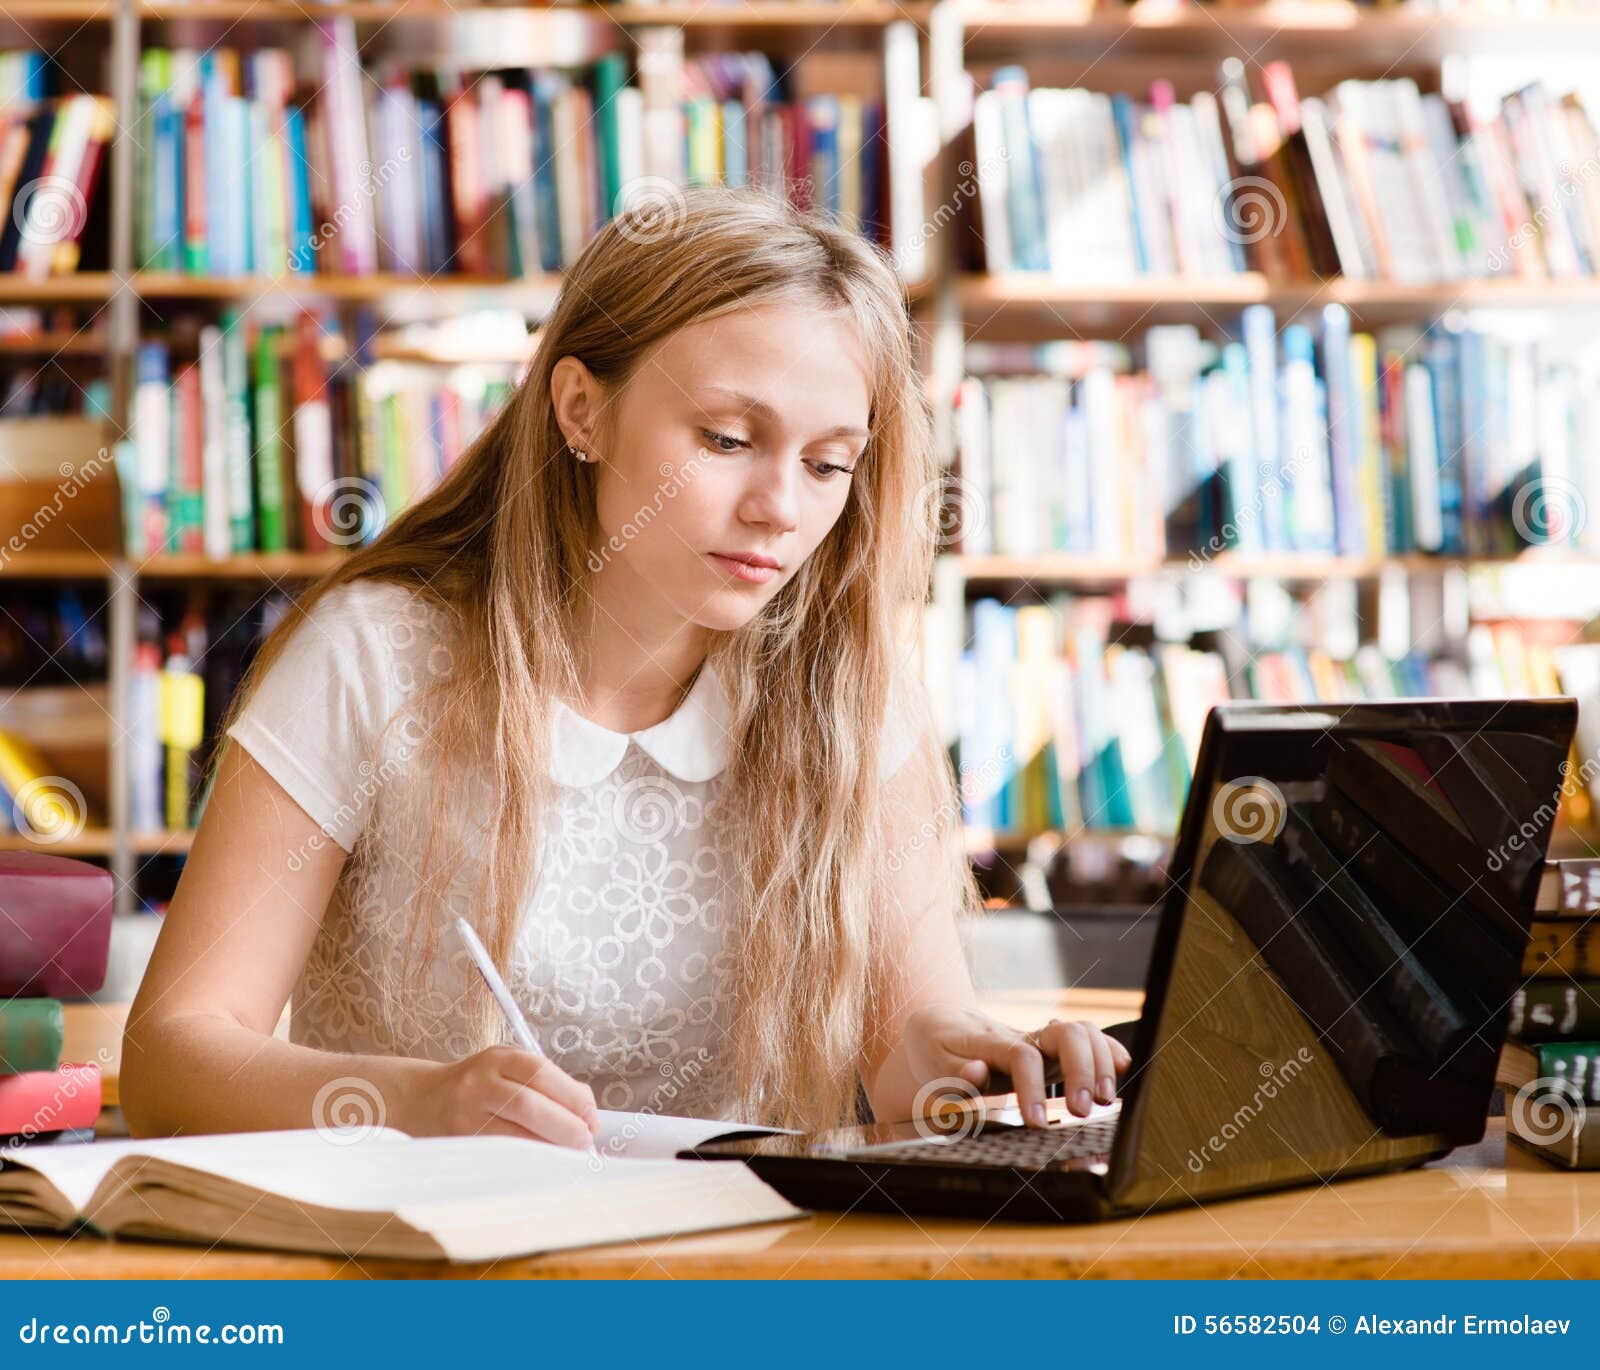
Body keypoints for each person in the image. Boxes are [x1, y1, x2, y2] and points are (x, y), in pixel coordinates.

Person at [121, 185, 1131, 1150]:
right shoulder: (376, 658)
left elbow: (912, 1054)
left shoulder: (851, 688)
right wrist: (419, 1101)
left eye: (829, 463)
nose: (782, 506)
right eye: (728, 438)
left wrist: (980, 1059)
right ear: (580, 410)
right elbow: (171, 1058)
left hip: (739, 1279)